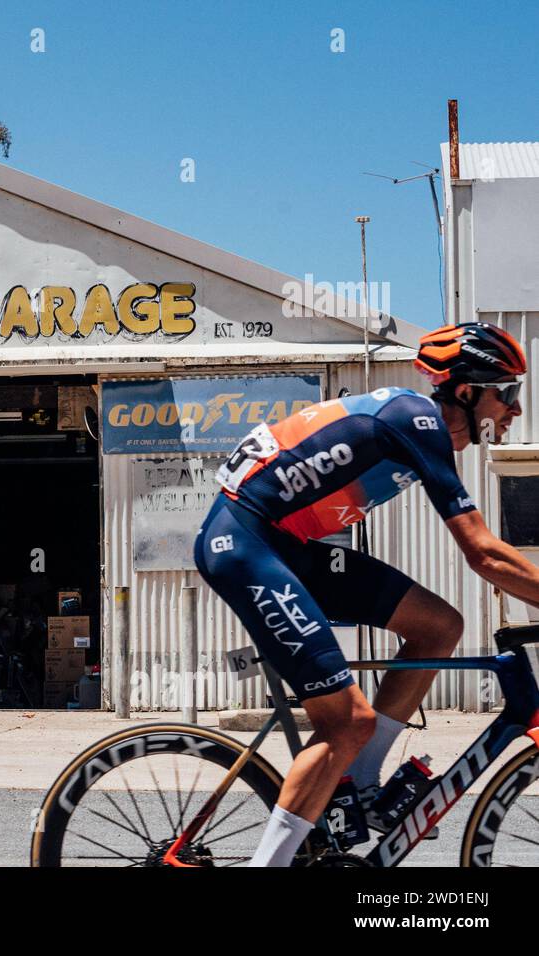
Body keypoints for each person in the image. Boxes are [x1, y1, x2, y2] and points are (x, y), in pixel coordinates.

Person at [195, 321, 539, 866]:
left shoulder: (423, 428)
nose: (515, 411)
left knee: (439, 626)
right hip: (245, 541)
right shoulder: (415, 419)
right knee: (346, 721)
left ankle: (360, 781)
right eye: (509, 393)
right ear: (469, 391)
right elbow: (483, 552)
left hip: (290, 547)